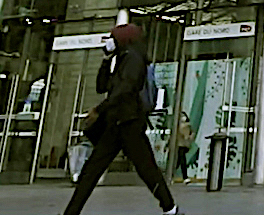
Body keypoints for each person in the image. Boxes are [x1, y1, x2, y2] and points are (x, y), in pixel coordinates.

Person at [61, 24, 182, 215]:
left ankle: (170, 208)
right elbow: (102, 86)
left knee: (146, 169)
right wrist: (106, 59)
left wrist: (99, 109)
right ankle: (71, 212)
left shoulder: (134, 59)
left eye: (113, 37)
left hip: (129, 123)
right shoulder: (122, 59)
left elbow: (125, 89)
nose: (110, 41)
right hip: (116, 123)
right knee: (93, 169)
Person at [175, 112, 194, 183]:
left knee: (179, 161)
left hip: (182, 145)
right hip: (180, 145)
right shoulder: (183, 126)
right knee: (180, 161)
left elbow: (187, 135)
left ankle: (183, 177)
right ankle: (184, 177)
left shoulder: (185, 126)